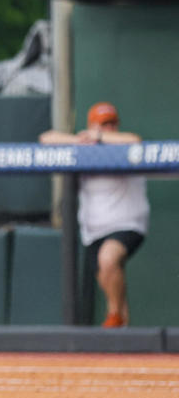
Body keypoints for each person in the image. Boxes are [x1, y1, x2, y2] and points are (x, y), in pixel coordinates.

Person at [39, 101, 149, 328]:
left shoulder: (124, 145)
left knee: (108, 260)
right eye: (101, 125)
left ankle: (116, 318)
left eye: (110, 124)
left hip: (127, 223)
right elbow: (46, 139)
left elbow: (135, 141)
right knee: (111, 289)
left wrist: (99, 138)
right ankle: (123, 339)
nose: (106, 128)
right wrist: (80, 140)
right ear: (90, 125)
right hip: (93, 230)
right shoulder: (84, 147)